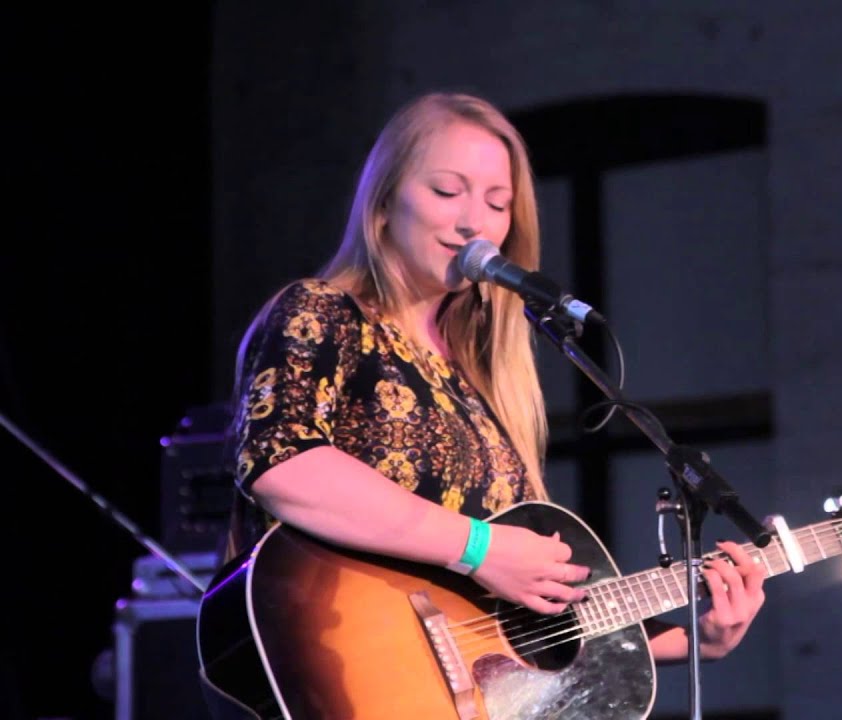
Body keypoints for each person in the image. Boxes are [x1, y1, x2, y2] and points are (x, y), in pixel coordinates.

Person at [206, 92, 766, 716]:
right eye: (448, 192)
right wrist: (478, 547)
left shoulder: (481, 384)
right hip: (335, 666)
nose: (475, 220)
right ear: (385, 204)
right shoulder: (322, 313)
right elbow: (284, 466)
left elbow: (517, 632)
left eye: (497, 203)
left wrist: (695, 640)